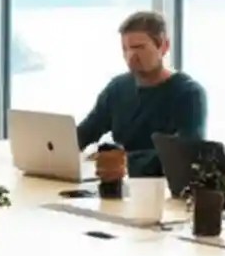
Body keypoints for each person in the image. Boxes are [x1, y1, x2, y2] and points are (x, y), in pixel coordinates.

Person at [77, 10, 207, 178]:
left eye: (139, 48)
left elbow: (186, 151)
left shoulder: (188, 94)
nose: (131, 56)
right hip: (123, 182)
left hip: (162, 185)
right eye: (125, 49)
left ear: (164, 46)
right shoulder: (117, 88)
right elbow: (85, 132)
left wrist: (123, 161)